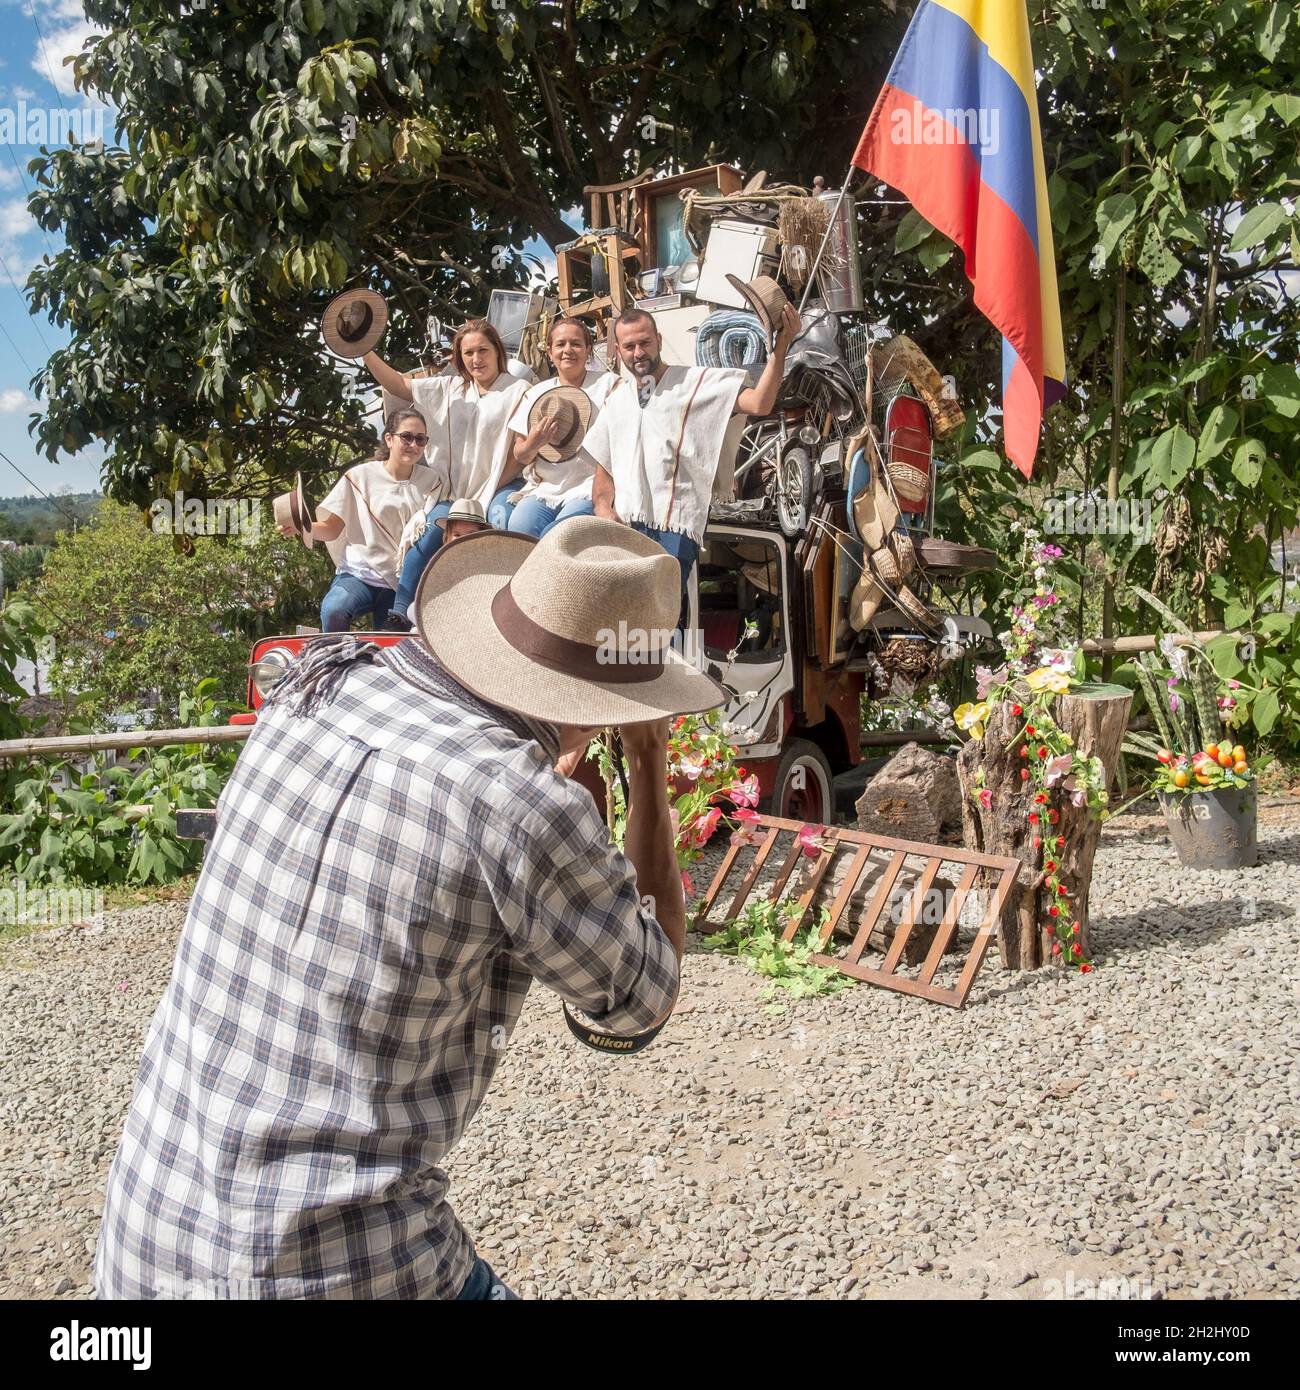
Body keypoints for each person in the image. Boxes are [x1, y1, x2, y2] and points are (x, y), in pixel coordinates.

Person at [93, 517, 726, 1301]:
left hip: (144, 1238)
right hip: (331, 1267)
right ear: (618, 697)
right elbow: (643, 1001)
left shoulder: (317, 687)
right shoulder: (521, 802)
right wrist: (648, 758)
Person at [586, 303, 800, 601]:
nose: (638, 353)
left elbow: (759, 404)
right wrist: (603, 509)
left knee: (664, 616)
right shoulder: (616, 402)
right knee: (632, 618)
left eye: (645, 342)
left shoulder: (696, 382)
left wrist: (780, 349)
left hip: (676, 522)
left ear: (659, 341)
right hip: (626, 527)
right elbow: (603, 472)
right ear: (618, 351)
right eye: (629, 346)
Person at [363, 319, 531, 626]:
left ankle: (502, 613)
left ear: (497, 350)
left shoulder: (519, 390)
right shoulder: (450, 387)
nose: (476, 359)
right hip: (453, 490)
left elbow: (520, 455)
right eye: (468, 353)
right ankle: (400, 612)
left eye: (483, 350)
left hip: (503, 483)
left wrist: (490, 486)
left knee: (499, 522)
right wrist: (365, 352)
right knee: (427, 532)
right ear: (459, 357)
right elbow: (399, 385)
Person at [282, 409, 440, 632]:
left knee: (389, 649)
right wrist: (300, 527)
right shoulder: (360, 476)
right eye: (406, 437)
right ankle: (334, 661)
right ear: (389, 438)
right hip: (358, 576)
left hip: (400, 585)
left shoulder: (432, 481)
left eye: (420, 439)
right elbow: (332, 529)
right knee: (334, 610)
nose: (413, 445)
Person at [506, 317, 616, 539]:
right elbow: (520, 454)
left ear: (588, 350)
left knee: (559, 535)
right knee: (519, 529)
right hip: (545, 488)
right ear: (549, 351)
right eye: (560, 344)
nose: (568, 350)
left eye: (575, 344)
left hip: (589, 487)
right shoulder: (535, 394)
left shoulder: (610, 386)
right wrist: (534, 443)